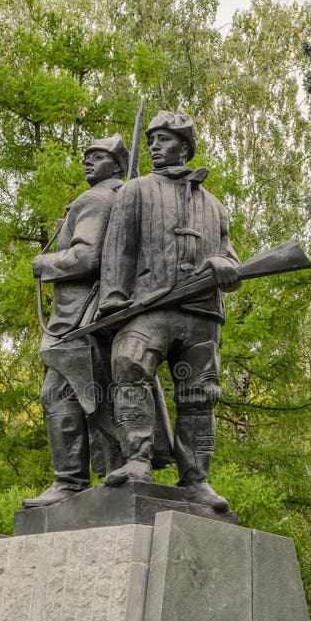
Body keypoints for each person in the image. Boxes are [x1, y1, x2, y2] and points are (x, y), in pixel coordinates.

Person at [97, 110, 241, 511]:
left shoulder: (215, 206)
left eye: (164, 139)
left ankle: (197, 479)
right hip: (149, 303)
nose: (156, 146)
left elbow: (230, 255)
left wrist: (226, 265)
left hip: (201, 313)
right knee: (128, 364)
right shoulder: (135, 190)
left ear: (185, 146)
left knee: (201, 395)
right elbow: (117, 249)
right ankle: (137, 461)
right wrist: (113, 296)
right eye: (153, 139)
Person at [23, 134, 128, 508]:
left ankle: (69, 482)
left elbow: (85, 258)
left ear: (116, 165)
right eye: (86, 155)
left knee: (61, 394)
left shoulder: (96, 199)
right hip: (101, 316)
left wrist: (43, 264)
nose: (87, 161)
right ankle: (118, 477)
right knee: (103, 396)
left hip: (79, 318)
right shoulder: (121, 196)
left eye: (97, 156)